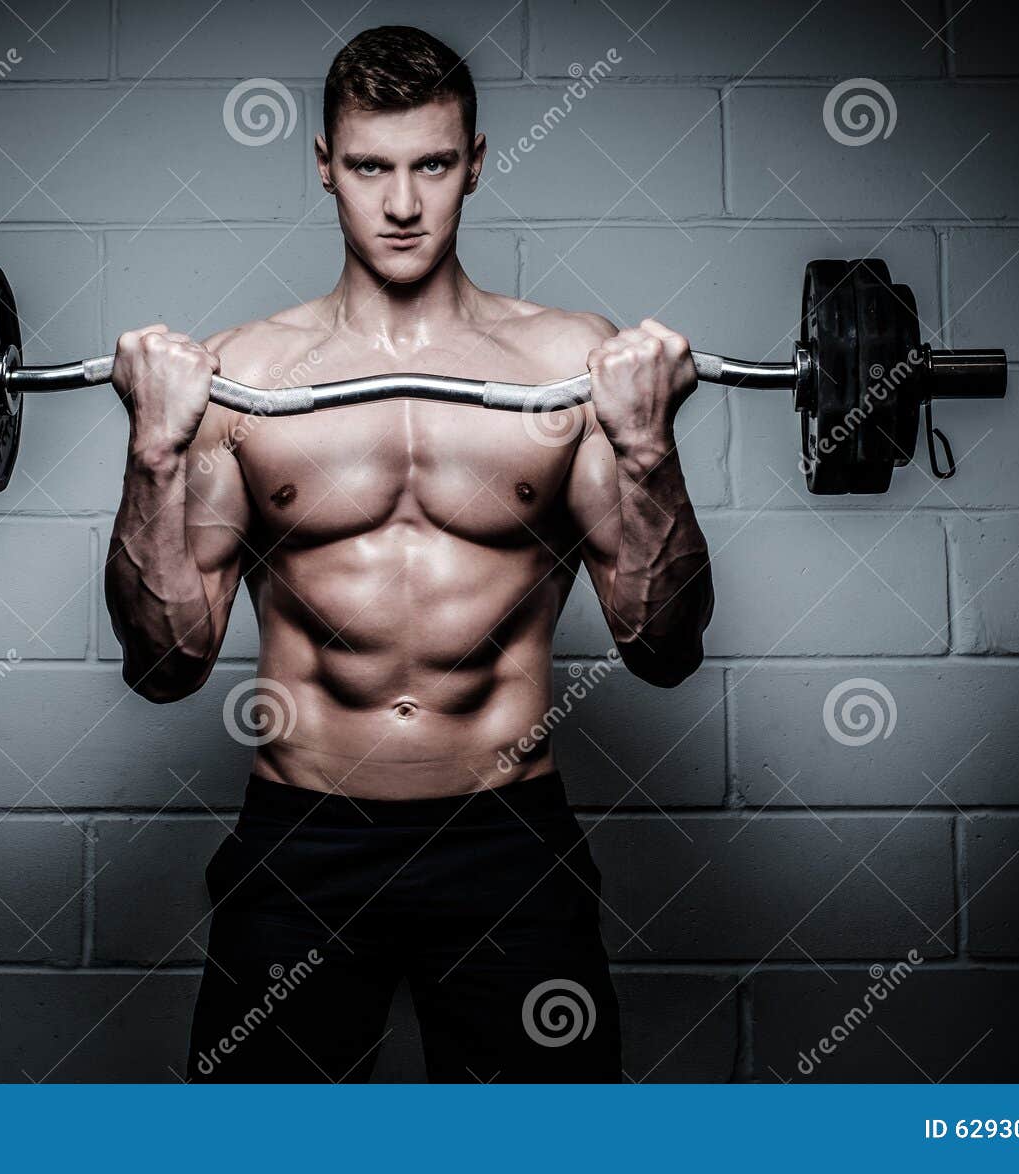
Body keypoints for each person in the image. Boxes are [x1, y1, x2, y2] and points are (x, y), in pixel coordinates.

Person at [104, 25, 713, 1083]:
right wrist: (153, 452)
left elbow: (662, 645)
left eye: (431, 165)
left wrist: (650, 448)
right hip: (303, 841)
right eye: (370, 167)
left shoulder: (566, 365)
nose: (400, 203)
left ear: (474, 162)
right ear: (324, 166)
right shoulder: (243, 375)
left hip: (507, 842)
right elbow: (167, 666)